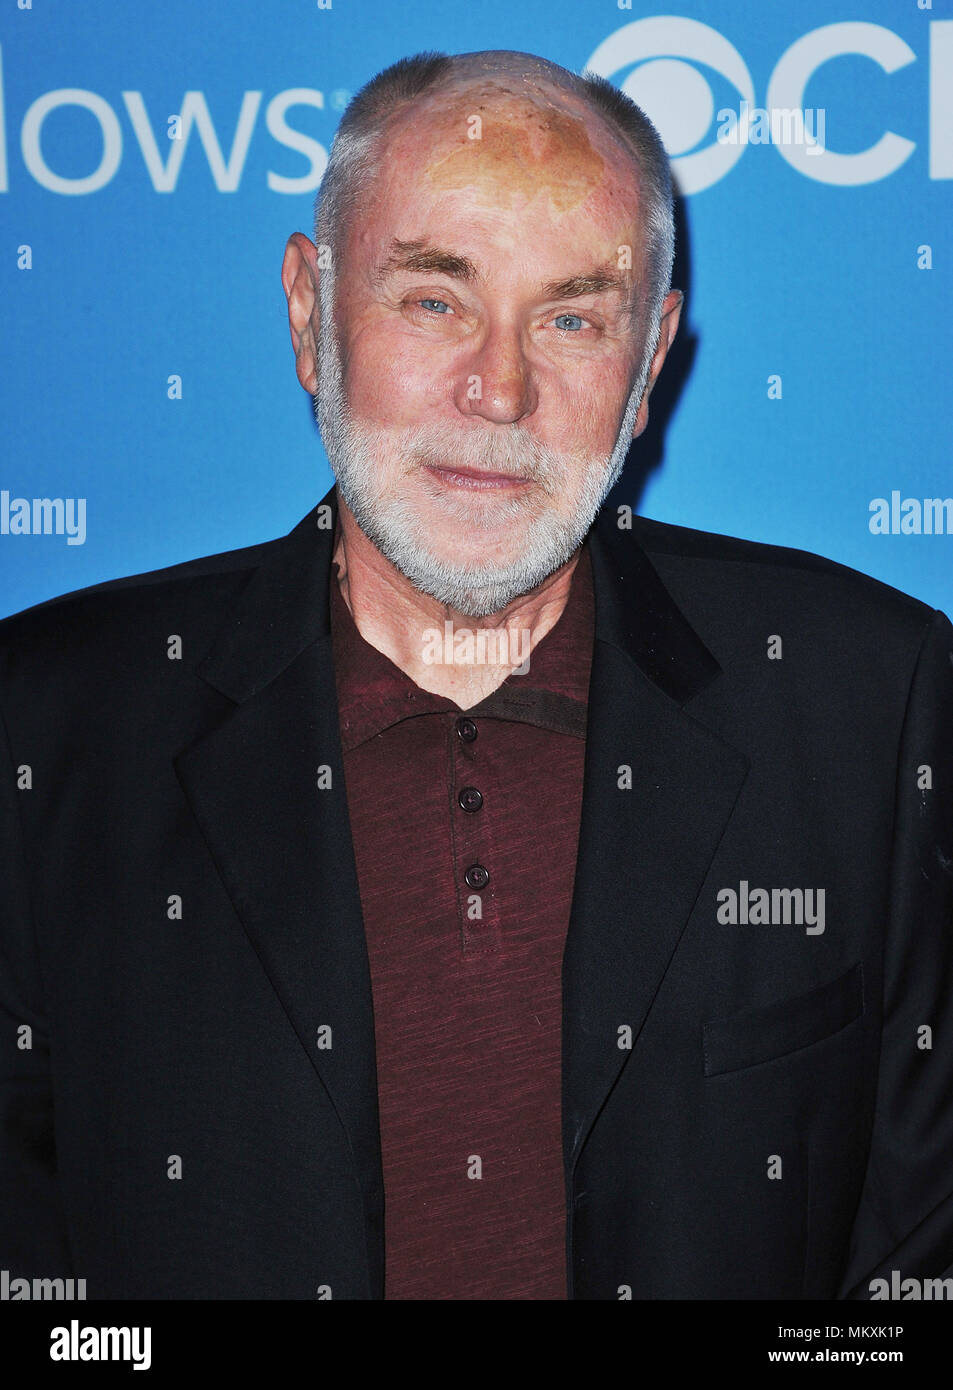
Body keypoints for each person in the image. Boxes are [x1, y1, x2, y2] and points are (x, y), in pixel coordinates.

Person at [1, 48, 951, 1301]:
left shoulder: (869, 703)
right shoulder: (48, 728)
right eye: (434, 300)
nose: (498, 389)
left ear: (650, 352)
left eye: (570, 316)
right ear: (307, 311)